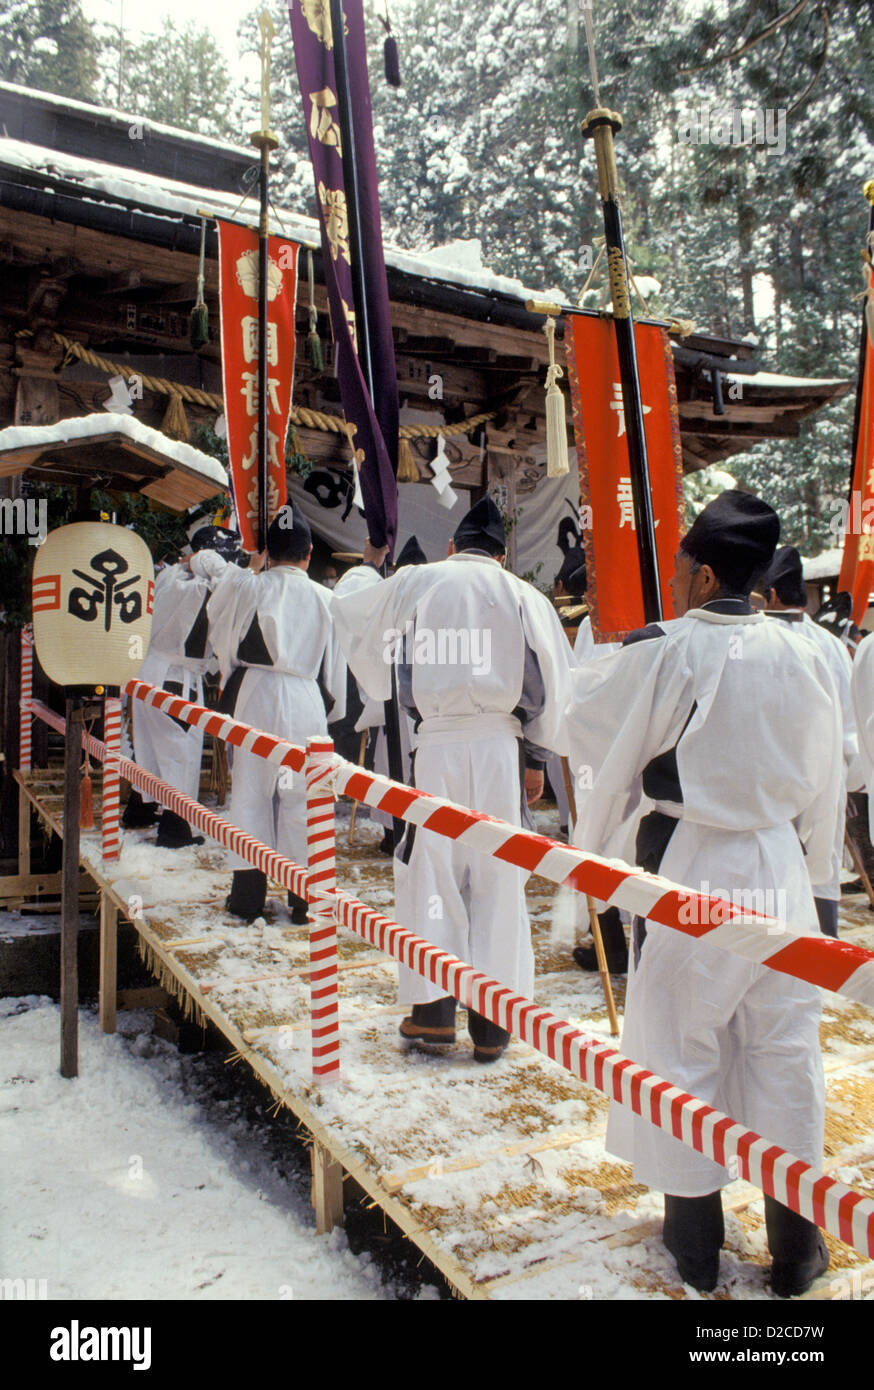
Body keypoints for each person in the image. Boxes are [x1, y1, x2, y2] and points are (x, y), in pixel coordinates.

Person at [566, 491, 842, 1296]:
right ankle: (799, 1248)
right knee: (783, 1049)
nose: (677, 579)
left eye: (684, 567)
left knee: (681, 1048)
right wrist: (821, 879)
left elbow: (583, 721)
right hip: (781, 867)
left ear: (708, 573)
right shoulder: (811, 651)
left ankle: (693, 1240)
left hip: (697, 867)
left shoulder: (668, 650)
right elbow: (830, 778)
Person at [332, 496, 573, 1062]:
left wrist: (369, 562)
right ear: (502, 553)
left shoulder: (420, 584)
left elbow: (368, 630)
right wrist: (535, 758)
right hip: (498, 746)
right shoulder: (522, 596)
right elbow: (544, 689)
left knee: (433, 873)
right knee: (497, 875)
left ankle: (434, 1014)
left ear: (451, 547)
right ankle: (492, 1026)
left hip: (436, 745)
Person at [191, 503, 347, 923]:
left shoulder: (249, 587)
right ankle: (304, 900)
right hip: (304, 696)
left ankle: (247, 895)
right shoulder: (326, 598)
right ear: (309, 552)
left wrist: (250, 565)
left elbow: (219, 626)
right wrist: (329, 711)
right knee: (301, 797)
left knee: (252, 791)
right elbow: (334, 666)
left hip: (256, 693)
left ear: (270, 551)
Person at [760, 545, 860, 936]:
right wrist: (849, 781)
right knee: (822, 867)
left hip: (778, 777)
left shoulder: (764, 640)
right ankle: (825, 955)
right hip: (827, 774)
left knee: (781, 875)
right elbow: (849, 721)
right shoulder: (832, 645)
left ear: (771, 594)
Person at [123, 525, 238, 848]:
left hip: (148, 669)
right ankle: (175, 827)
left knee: (149, 747)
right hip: (177, 674)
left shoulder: (168, 576)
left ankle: (140, 809)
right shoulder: (200, 587)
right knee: (179, 751)